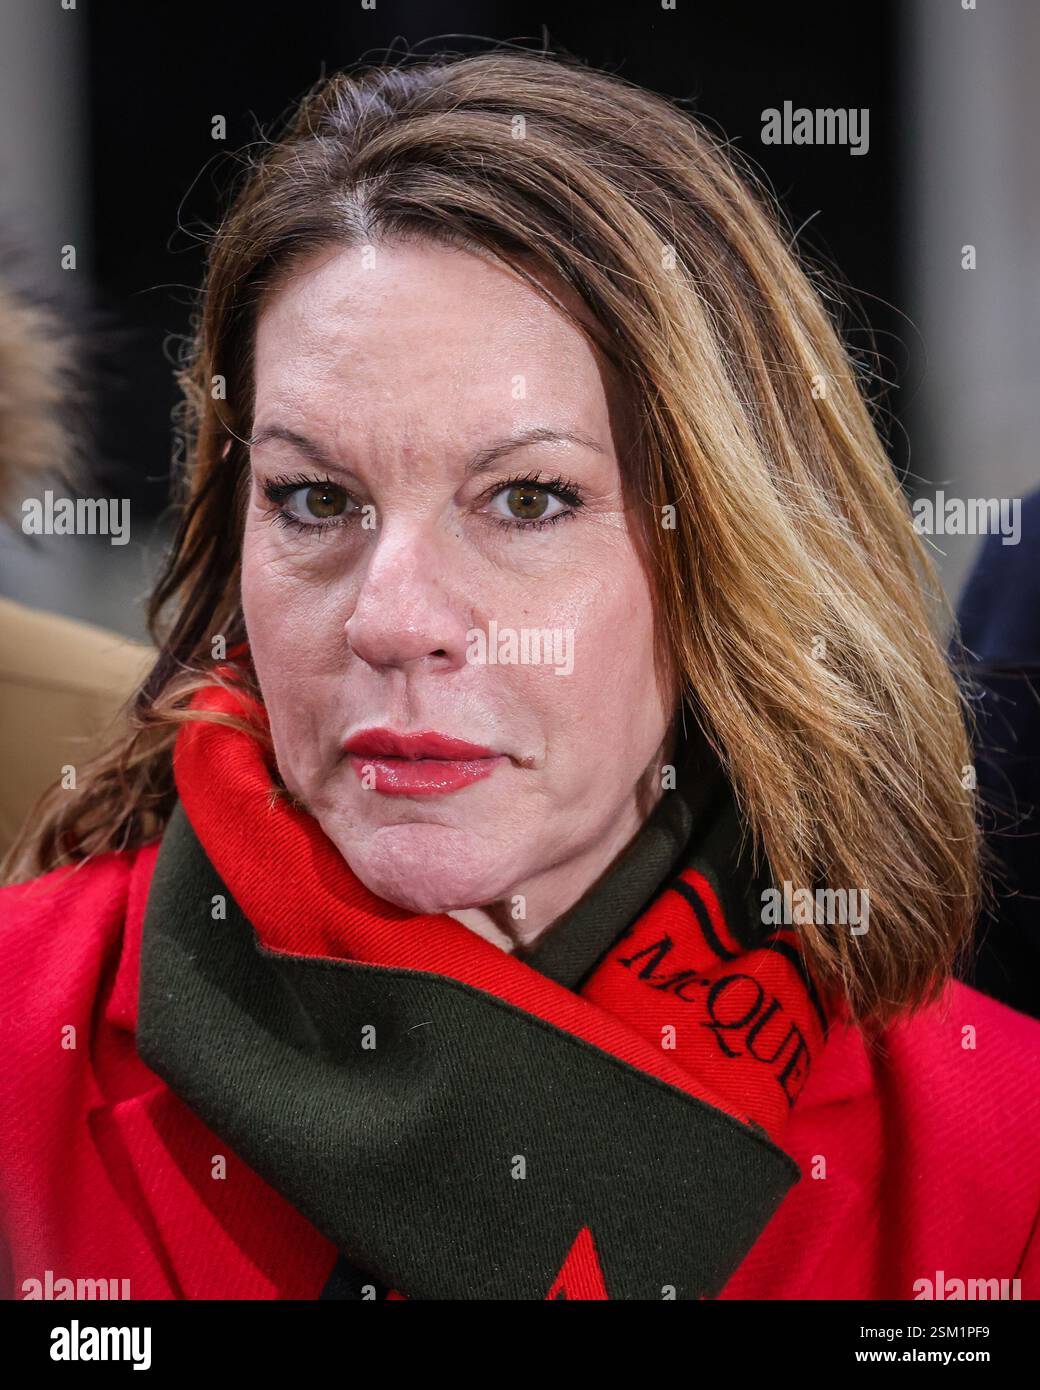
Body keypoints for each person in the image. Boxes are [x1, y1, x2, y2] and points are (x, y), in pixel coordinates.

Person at [2, 49, 1037, 1302]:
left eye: (528, 500)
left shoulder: (996, 1161)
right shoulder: (21, 1039)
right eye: (314, 498)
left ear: (726, 550)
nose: (394, 620)